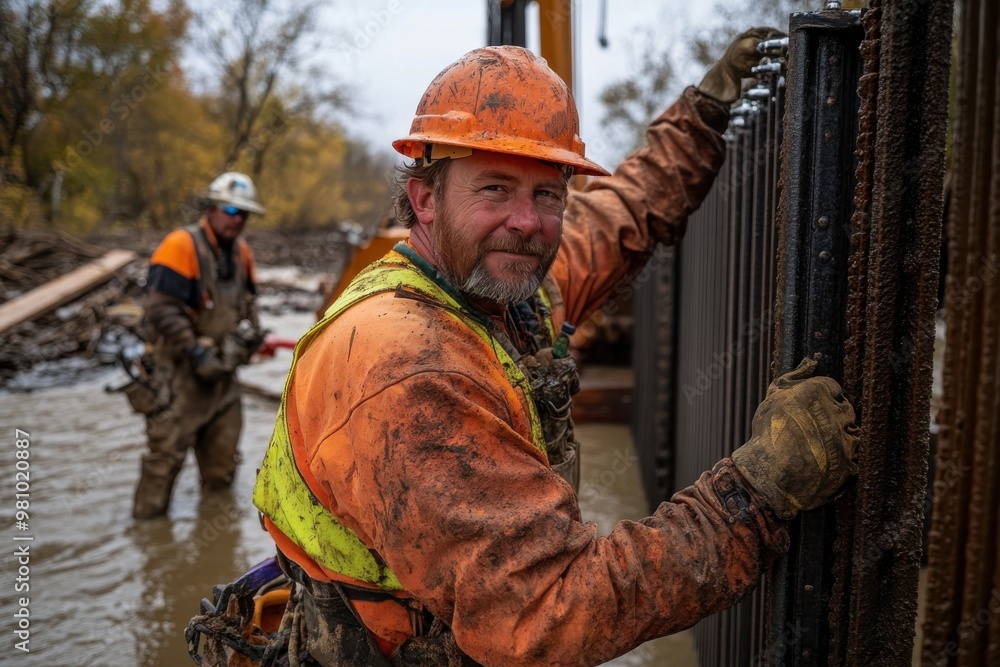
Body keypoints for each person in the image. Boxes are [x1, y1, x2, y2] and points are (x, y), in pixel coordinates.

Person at [250, 36, 859, 666]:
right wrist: (753, 494)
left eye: (547, 194)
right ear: (425, 198)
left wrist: (700, 113)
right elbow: (543, 613)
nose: (527, 221)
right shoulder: (408, 366)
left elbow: (621, 217)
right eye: (494, 188)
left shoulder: (505, 293)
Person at [130, 172, 265, 520]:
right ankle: (152, 543)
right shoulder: (180, 245)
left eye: (245, 214)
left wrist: (249, 339)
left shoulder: (241, 253)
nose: (238, 220)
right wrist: (195, 350)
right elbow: (160, 309)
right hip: (179, 377)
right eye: (232, 210)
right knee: (163, 464)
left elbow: (247, 306)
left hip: (223, 380)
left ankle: (215, 542)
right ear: (212, 208)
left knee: (223, 468)